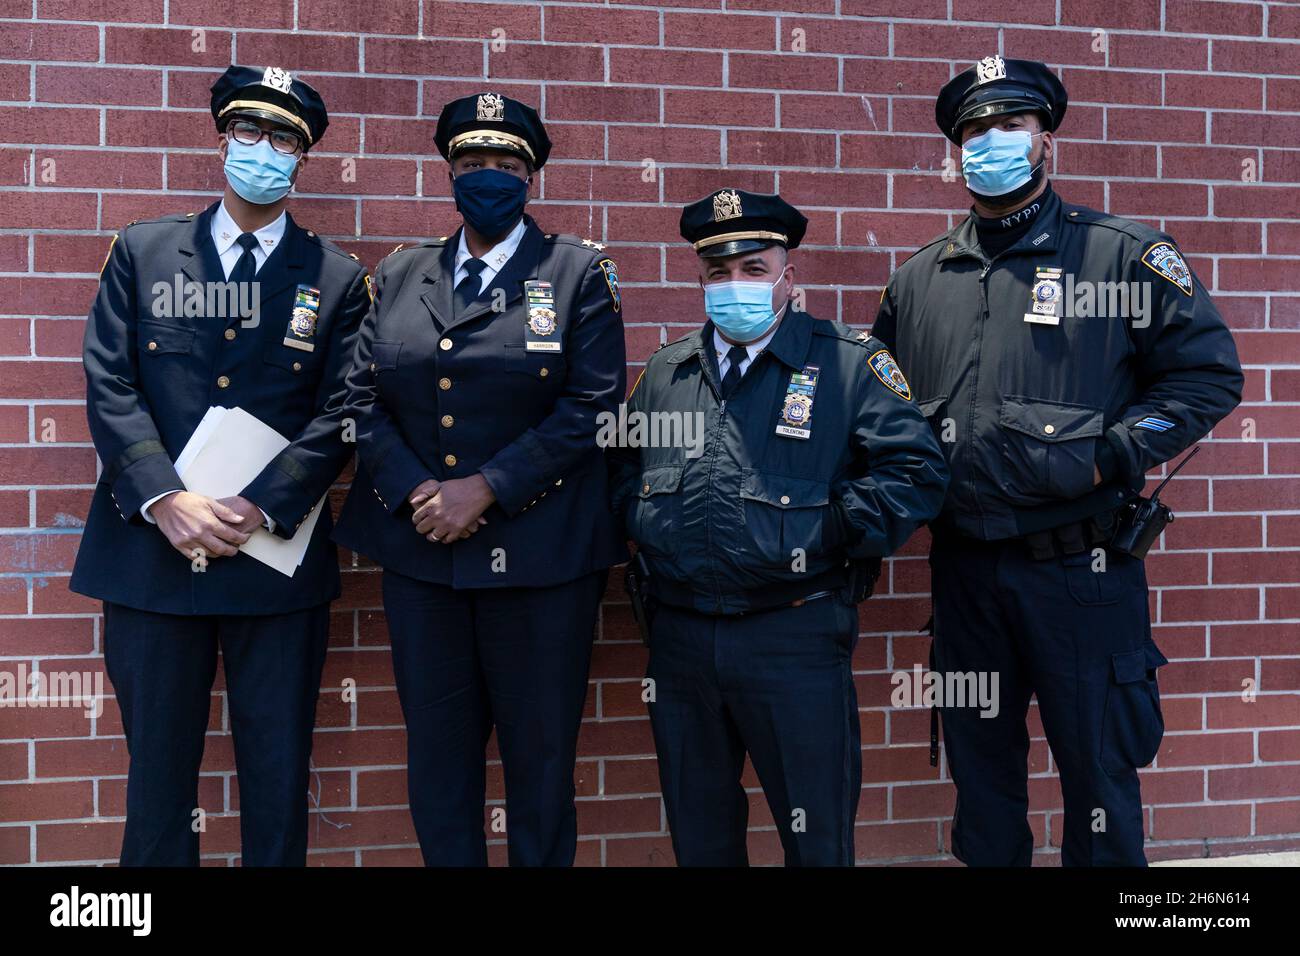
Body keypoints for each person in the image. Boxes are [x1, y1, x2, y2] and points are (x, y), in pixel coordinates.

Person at [872, 56, 1244, 866]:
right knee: (982, 778)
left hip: (1084, 572)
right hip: (966, 574)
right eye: (973, 130)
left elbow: (1208, 376)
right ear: (953, 153)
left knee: (1100, 779)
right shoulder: (918, 281)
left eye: (1010, 125)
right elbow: (886, 415)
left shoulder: (1120, 257)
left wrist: (1116, 450)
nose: (990, 143)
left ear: (1047, 141)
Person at [70, 65, 372, 865]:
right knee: (157, 786)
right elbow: (110, 382)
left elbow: (344, 408)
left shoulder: (337, 278)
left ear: (302, 158)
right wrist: (163, 496)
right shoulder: (142, 251)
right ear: (223, 138)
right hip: (150, 559)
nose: (263, 151)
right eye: (249, 132)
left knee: (277, 782)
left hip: (272, 563)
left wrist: (265, 503)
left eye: (283, 140)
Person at [609, 189, 948, 866]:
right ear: (700, 281)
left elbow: (915, 474)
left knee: (815, 838)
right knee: (700, 839)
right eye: (718, 274)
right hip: (680, 640)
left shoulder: (850, 364)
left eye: (754, 270)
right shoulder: (667, 373)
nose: (735, 286)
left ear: (788, 278)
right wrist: (647, 522)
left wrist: (823, 532)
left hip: (793, 635)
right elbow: (619, 472)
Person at [333, 92, 627, 867]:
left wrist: (488, 487)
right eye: (471, 163)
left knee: (539, 769)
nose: (486, 176)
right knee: (437, 764)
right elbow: (357, 396)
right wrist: (418, 492)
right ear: (449, 171)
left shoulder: (576, 274)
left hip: (541, 562)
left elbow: (593, 404)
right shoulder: (400, 274)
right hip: (423, 559)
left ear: (530, 175)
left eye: (504, 163)